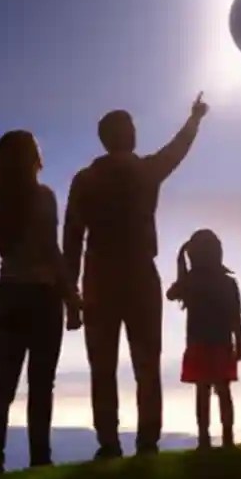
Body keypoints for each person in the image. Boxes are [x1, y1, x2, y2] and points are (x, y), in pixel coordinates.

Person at [63, 92, 211, 458]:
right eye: (130, 127)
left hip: (100, 278)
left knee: (106, 366)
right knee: (144, 362)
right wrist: (194, 119)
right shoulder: (143, 170)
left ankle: (111, 442)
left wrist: (71, 297)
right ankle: (145, 441)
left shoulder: (87, 179)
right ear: (124, 134)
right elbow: (177, 149)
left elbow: (71, 240)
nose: (134, 132)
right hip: (135, 276)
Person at [0, 130, 82, 475]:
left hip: (8, 297)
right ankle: (40, 460)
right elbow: (53, 252)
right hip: (43, 297)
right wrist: (71, 297)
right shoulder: (44, 197)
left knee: (3, 384)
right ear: (33, 159)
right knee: (41, 384)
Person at [166, 229, 241, 449]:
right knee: (220, 390)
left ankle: (206, 438)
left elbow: (172, 294)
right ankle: (224, 438)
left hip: (203, 343)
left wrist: (182, 266)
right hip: (217, 343)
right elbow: (235, 317)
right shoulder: (224, 282)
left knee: (206, 391)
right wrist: (239, 344)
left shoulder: (193, 281)